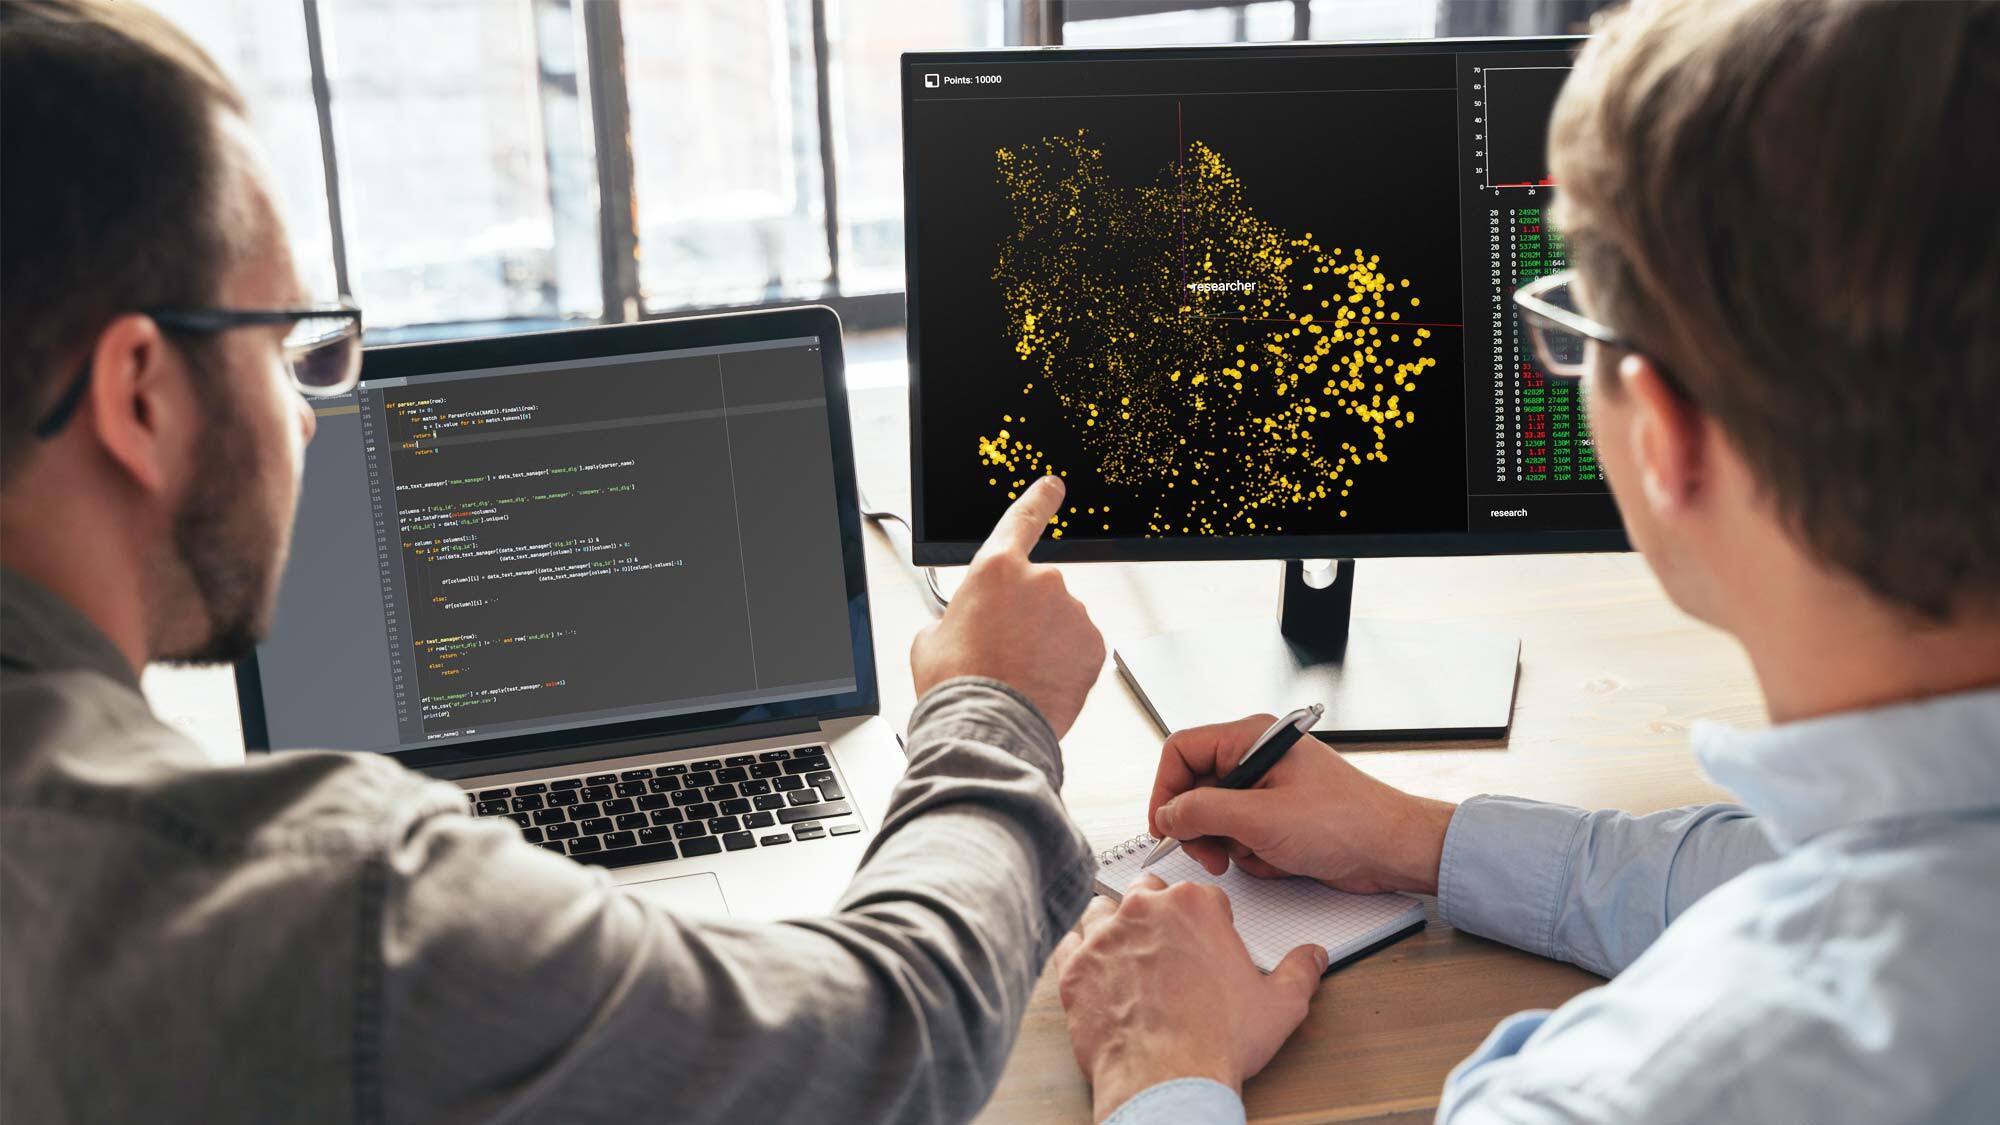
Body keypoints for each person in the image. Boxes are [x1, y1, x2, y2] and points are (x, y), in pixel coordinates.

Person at [0, 2, 1108, 1120]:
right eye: (283, 347)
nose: (301, 419)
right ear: (139, 394)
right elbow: (890, 1047)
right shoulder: (322, 905)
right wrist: (989, 702)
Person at [1054, 0, 2000, 1121]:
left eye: (1575, 328)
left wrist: (1158, 1071)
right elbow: (1816, 867)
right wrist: (1416, 840)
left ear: (1663, 432)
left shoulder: (1635, 1093)